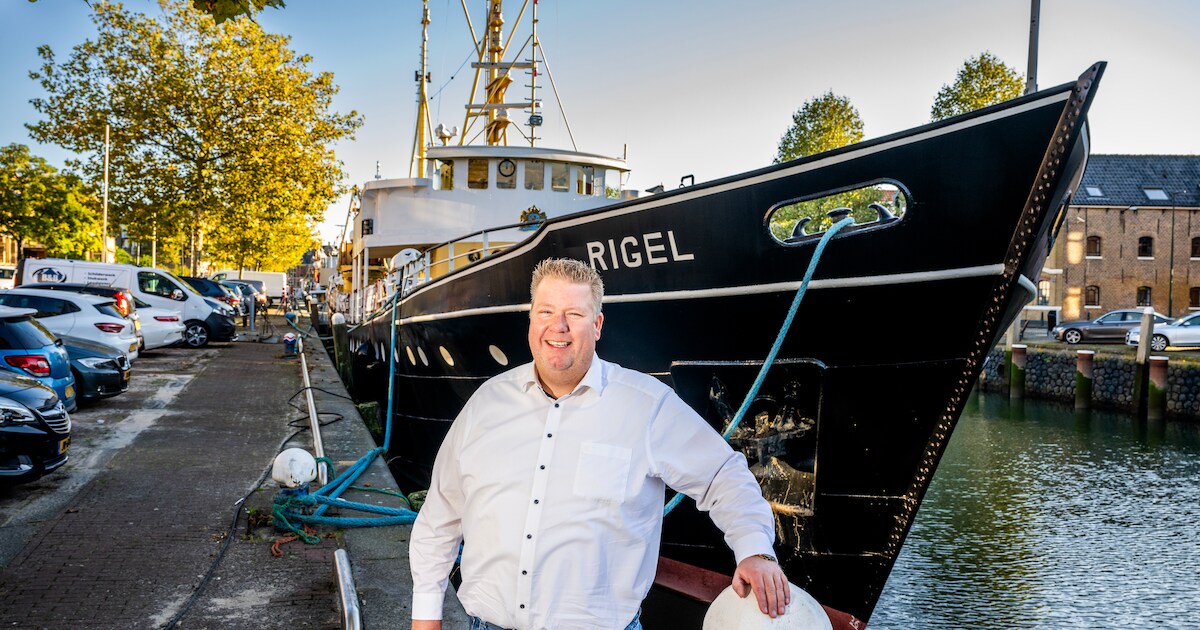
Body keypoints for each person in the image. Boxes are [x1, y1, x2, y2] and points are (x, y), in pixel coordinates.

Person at [410, 258, 789, 630]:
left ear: (597, 325)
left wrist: (755, 550)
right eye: (545, 311)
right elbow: (440, 514)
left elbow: (723, 475)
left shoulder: (646, 406)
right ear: (531, 320)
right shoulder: (486, 404)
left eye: (574, 314)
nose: (557, 327)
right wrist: (426, 615)